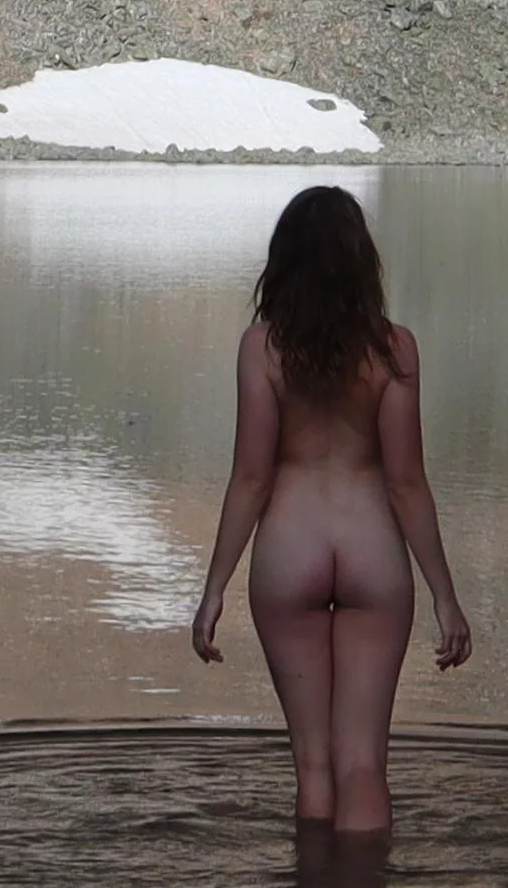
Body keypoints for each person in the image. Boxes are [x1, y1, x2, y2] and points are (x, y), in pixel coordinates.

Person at [191, 185, 471, 832]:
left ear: (281, 262)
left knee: (312, 766)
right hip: (372, 550)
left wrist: (214, 588)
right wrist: (444, 596)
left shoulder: (260, 348)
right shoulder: (393, 350)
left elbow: (252, 475)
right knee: (363, 765)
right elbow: (405, 482)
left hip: (290, 549)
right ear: (361, 261)